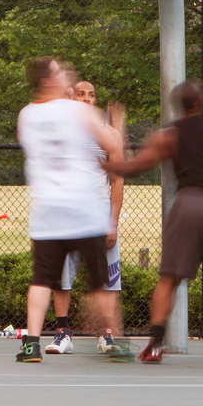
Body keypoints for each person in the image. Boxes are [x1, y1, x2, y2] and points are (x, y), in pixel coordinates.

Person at [102, 80, 203, 365]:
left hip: (187, 204)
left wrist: (107, 164)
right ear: (202, 101)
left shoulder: (168, 136)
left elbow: (136, 167)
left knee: (169, 278)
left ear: (179, 105)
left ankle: (155, 345)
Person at [15, 57, 128, 364]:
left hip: (47, 214)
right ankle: (111, 336)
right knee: (99, 281)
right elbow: (112, 145)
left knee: (41, 280)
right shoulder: (79, 111)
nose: (65, 74)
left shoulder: (26, 115)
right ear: (48, 82)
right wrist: (116, 130)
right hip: (83, 211)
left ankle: (32, 345)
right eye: (59, 72)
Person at [45, 78, 126, 356]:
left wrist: (112, 222)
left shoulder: (107, 134)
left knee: (107, 277)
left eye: (91, 95)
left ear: (95, 101)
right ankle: (63, 333)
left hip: (99, 214)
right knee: (62, 276)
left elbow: (117, 181)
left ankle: (106, 333)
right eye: (80, 94)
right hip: (67, 215)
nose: (86, 98)